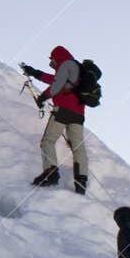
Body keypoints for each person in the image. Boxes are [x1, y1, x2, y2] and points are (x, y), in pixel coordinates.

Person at [19, 45, 89, 194]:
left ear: (57, 57)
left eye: (53, 60)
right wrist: (35, 73)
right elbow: (55, 80)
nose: (52, 63)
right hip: (79, 115)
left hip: (63, 110)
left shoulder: (66, 65)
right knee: (78, 147)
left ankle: (50, 174)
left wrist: (43, 97)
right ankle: (81, 181)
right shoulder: (76, 69)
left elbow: (56, 84)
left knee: (48, 141)